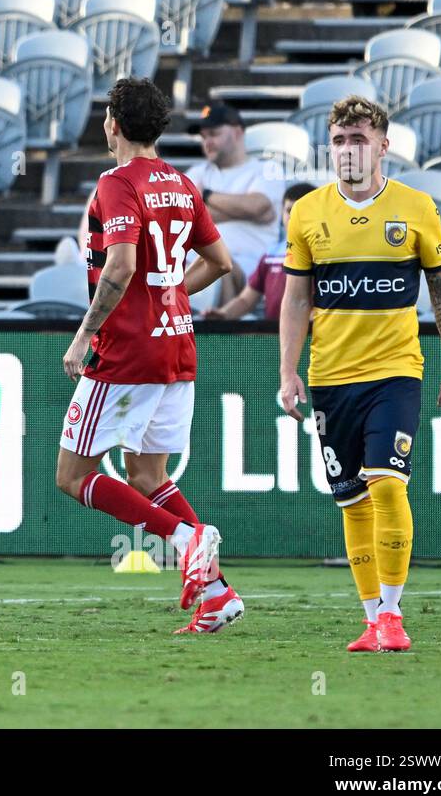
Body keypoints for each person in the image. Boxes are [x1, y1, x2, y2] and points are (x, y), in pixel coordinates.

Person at [279, 95, 441, 654]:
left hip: (395, 372)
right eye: (339, 140)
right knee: (352, 499)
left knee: (387, 482)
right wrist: (289, 371)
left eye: (358, 139)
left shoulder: (415, 208)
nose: (347, 150)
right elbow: (296, 297)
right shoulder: (308, 211)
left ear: (383, 146)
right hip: (330, 377)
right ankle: (371, 620)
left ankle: (392, 613)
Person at [57, 77, 240, 635]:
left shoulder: (117, 183)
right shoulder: (182, 184)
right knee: (146, 473)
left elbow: (120, 266)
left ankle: (186, 540)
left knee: (71, 474)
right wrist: (174, 295)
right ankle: (217, 592)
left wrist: (85, 333)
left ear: (113, 123)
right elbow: (221, 261)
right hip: (176, 346)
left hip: (126, 351)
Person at [183, 103, 285, 305]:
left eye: (213, 133)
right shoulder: (197, 172)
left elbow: (257, 206)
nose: (207, 142)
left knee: (221, 267)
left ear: (238, 132)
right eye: (203, 137)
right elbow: (181, 215)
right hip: (194, 262)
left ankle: (224, 333)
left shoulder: (266, 168)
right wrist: (243, 211)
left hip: (251, 265)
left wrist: (206, 195)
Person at [202, 182, 315, 321]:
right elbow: (246, 300)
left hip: (314, 338)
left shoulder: (327, 257)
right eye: (289, 210)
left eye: (301, 211)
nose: (293, 217)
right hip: (272, 339)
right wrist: (224, 314)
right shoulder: (270, 255)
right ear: (281, 212)